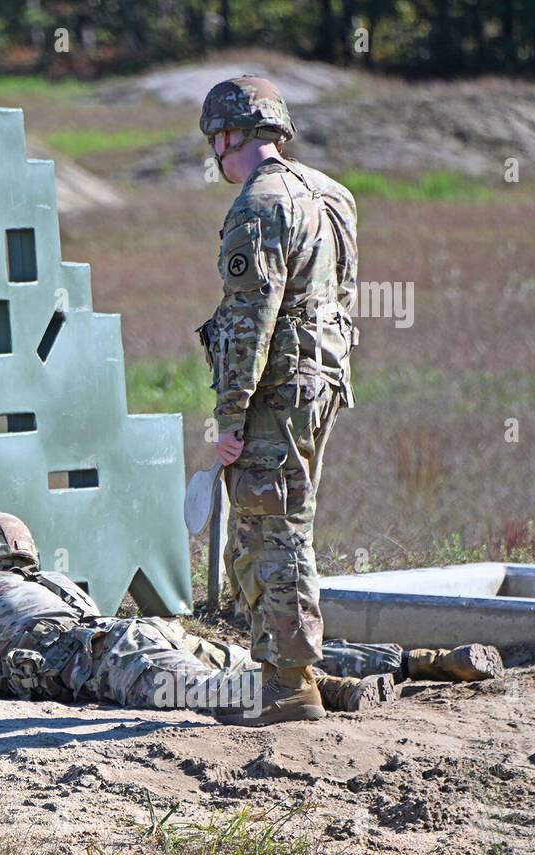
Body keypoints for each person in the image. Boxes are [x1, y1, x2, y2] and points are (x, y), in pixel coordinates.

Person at [0, 513, 502, 717]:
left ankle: (340, 690)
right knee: (257, 657)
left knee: (216, 693)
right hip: (136, 633)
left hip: (114, 660)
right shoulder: (52, 581)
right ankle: (423, 660)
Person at [195, 75, 361, 725]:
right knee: (287, 521)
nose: (217, 154)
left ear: (232, 134)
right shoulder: (332, 194)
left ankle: (290, 688)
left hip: (275, 392)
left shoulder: (258, 205)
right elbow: (340, 299)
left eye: (217, 140)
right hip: (321, 382)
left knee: (270, 531)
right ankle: (288, 675)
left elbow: (249, 320)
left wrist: (229, 419)